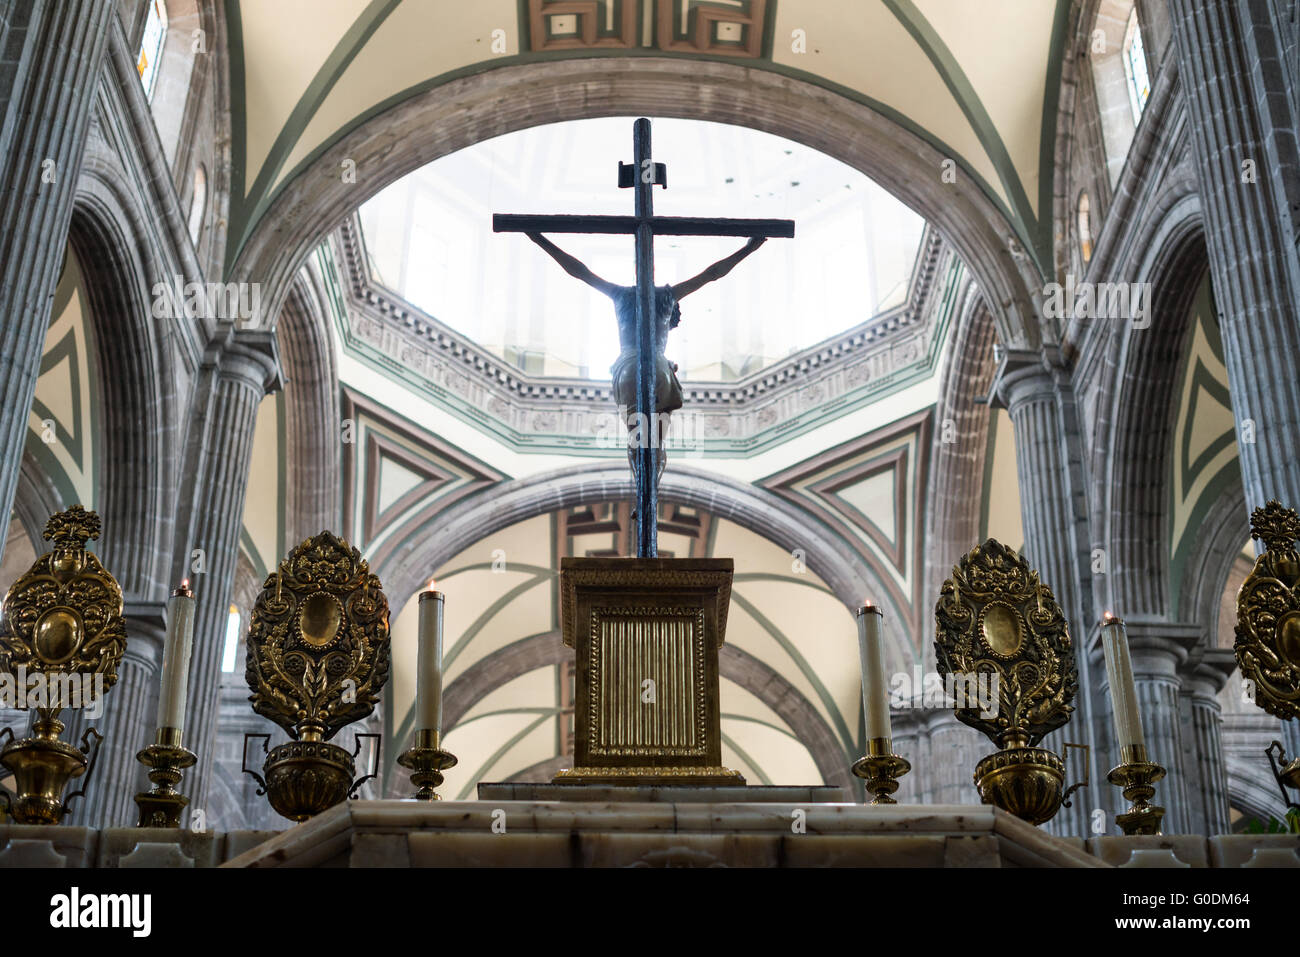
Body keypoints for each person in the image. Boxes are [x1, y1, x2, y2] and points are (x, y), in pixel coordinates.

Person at [525, 232, 765, 496]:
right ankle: (652, 488)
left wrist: (538, 238)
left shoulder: (619, 294)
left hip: (627, 363)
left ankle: (641, 487)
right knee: (657, 439)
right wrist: (748, 250)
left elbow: (579, 271)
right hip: (660, 366)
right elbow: (713, 273)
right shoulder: (669, 295)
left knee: (636, 437)